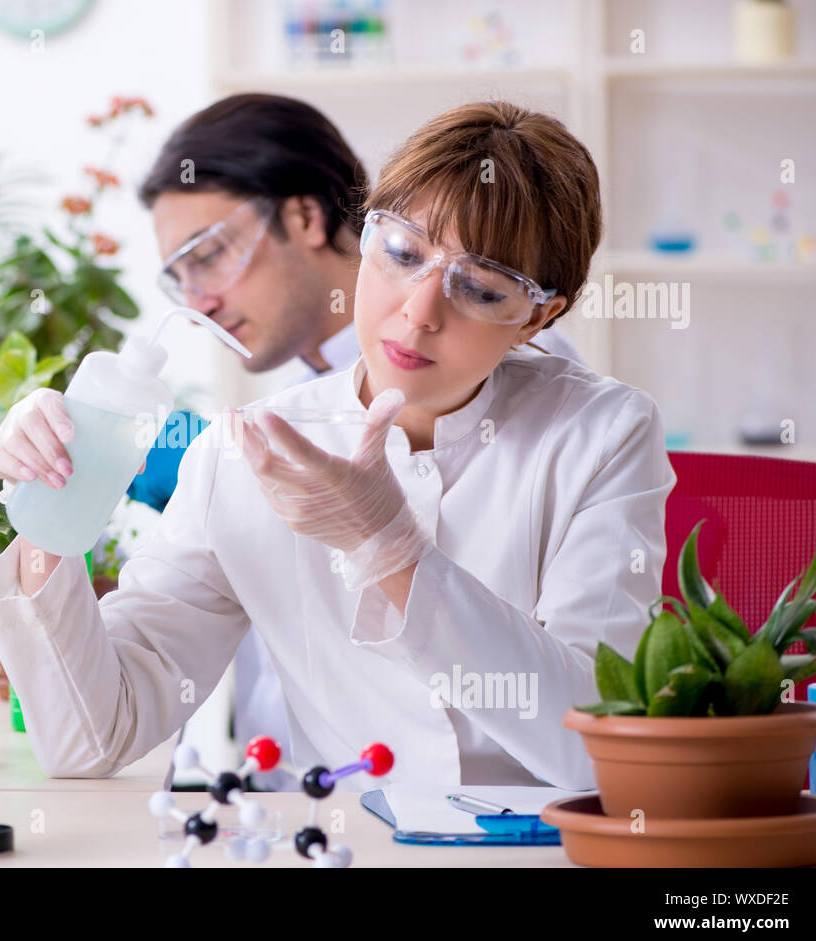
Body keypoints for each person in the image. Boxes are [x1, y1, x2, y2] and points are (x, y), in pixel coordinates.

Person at [0, 101, 674, 792]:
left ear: (539, 317)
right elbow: (92, 736)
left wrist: (391, 549)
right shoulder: (243, 450)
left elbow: (601, 748)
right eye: (401, 253)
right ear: (367, 237)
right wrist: (50, 510)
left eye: (483, 290)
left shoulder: (600, 434)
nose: (420, 312)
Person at [125, 93, 588, 789]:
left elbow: (573, 717)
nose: (199, 302)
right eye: (179, 276)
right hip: (298, 800)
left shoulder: (514, 378)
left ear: (306, 216)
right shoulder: (267, 419)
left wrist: (384, 541)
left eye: (210, 255)